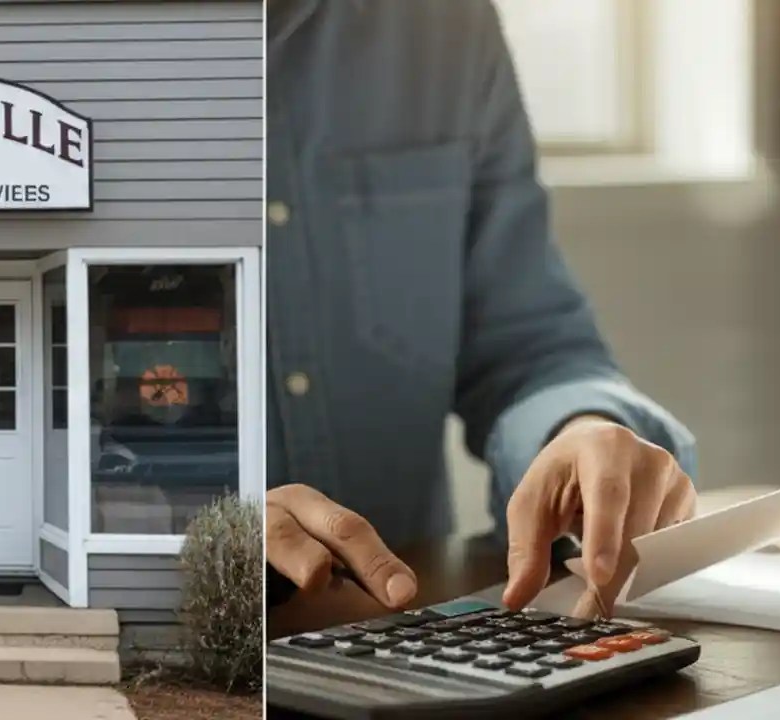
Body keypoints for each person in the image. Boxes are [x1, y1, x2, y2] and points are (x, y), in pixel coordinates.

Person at [265, 0, 698, 618]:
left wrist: (580, 430)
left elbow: (529, 345)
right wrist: (196, 533)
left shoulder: (450, 25)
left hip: (408, 636)